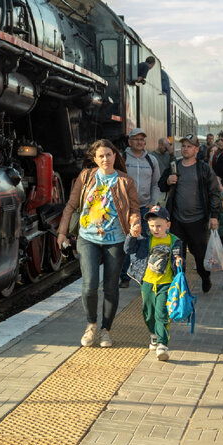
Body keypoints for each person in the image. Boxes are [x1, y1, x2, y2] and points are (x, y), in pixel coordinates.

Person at [59, 139, 142, 348]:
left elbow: (134, 209)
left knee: (111, 287)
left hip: (116, 240)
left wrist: (135, 224)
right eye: (101, 156)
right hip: (88, 238)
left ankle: (106, 330)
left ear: (115, 156)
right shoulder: (86, 176)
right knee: (89, 285)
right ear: (95, 159)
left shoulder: (125, 181)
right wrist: (62, 232)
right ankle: (91, 325)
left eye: (109, 154)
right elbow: (71, 205)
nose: (105, 159)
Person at [161, 133, 222, 293]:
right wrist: (167, 181)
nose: (185, 149)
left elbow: (214, 192)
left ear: (196, 149)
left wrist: (214, 215)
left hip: (197, 220)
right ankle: (179, 287)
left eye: (189, 146)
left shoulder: (203, 168)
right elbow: (161, 185)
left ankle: (204, 276)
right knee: (178, 256)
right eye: (184, 146)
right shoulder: (174, 166)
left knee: (200, 255)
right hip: (177, 220)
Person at [125, 204, 184, 361]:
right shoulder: (145, 239)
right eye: (151, 226)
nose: (155, 229)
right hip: (147, 282)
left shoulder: (175, 241)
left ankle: (162, 344)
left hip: (167, 283)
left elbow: (180, 258)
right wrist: (132, 235)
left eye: (159, 226)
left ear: (168, 225)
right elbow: (128, 250)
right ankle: (153, 334)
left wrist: (179, 261)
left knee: (161, 313)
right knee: (148, 313)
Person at [120, 128, 163, 287]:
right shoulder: (122, 159)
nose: (139, 142)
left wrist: (153, 202)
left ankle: (142, 276)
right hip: (125, 209)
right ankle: (124, 277)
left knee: (144, 242)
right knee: (126, 241)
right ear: (129, 141)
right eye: (135, 139)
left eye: (141, 139)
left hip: (145, 207)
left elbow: (156, 184)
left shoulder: (152, 160)